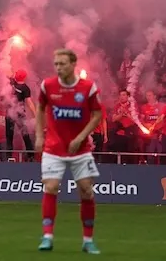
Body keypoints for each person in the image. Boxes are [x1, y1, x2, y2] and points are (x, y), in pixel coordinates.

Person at [35, 49, 103, 254]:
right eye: (56, 64)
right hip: (54, 147)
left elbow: (98, 114)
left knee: (86, 190)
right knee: (51, 187)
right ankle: (47, 236)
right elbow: (39, 109)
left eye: (62, 64)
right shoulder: (47, 85)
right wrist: (39, 135)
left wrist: (81, 137)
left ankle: (88, 240)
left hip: (80, 149)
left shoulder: (88, 87)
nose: (58, 67)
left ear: (73, 64)